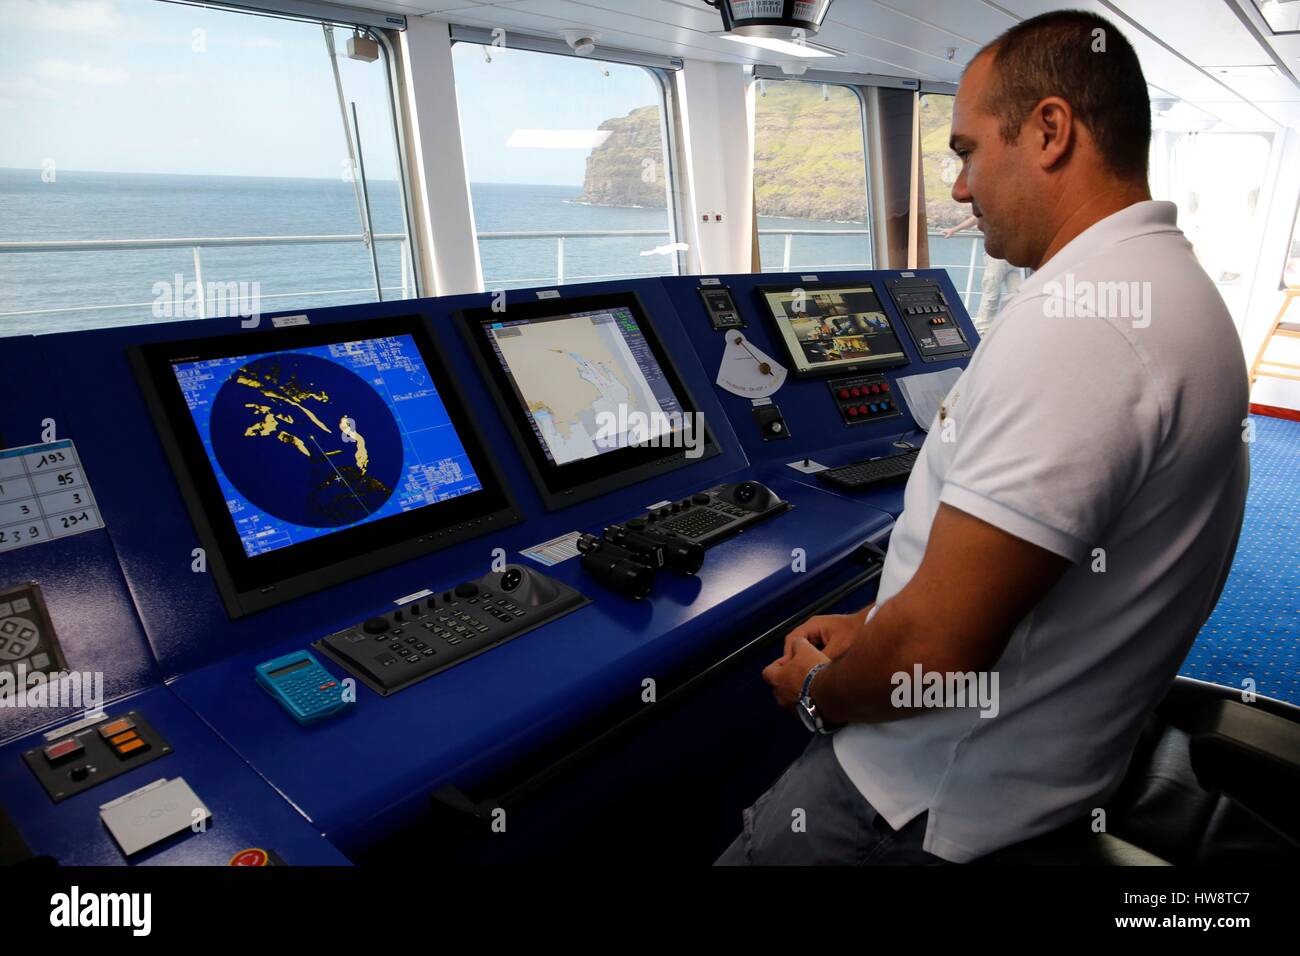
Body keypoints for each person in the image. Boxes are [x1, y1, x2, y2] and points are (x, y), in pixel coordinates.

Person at [717, 9, 1249, 865]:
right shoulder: (1171, 290)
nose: (959, 188)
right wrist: (878, 621)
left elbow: (937, 649)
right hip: (1046, 784)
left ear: (1049, 130)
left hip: (918, 804)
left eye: (966, 151)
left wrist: (818, 691)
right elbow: (998, 597)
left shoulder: (1081, 330)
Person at [943, 214, 1023, 334]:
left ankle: (1018, 327)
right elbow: (977, 216)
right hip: (998, 256)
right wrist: (953, 230)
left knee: (1019, 294)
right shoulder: (996, 202)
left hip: (1017, 256)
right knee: (992, 293)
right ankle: (982, 332)